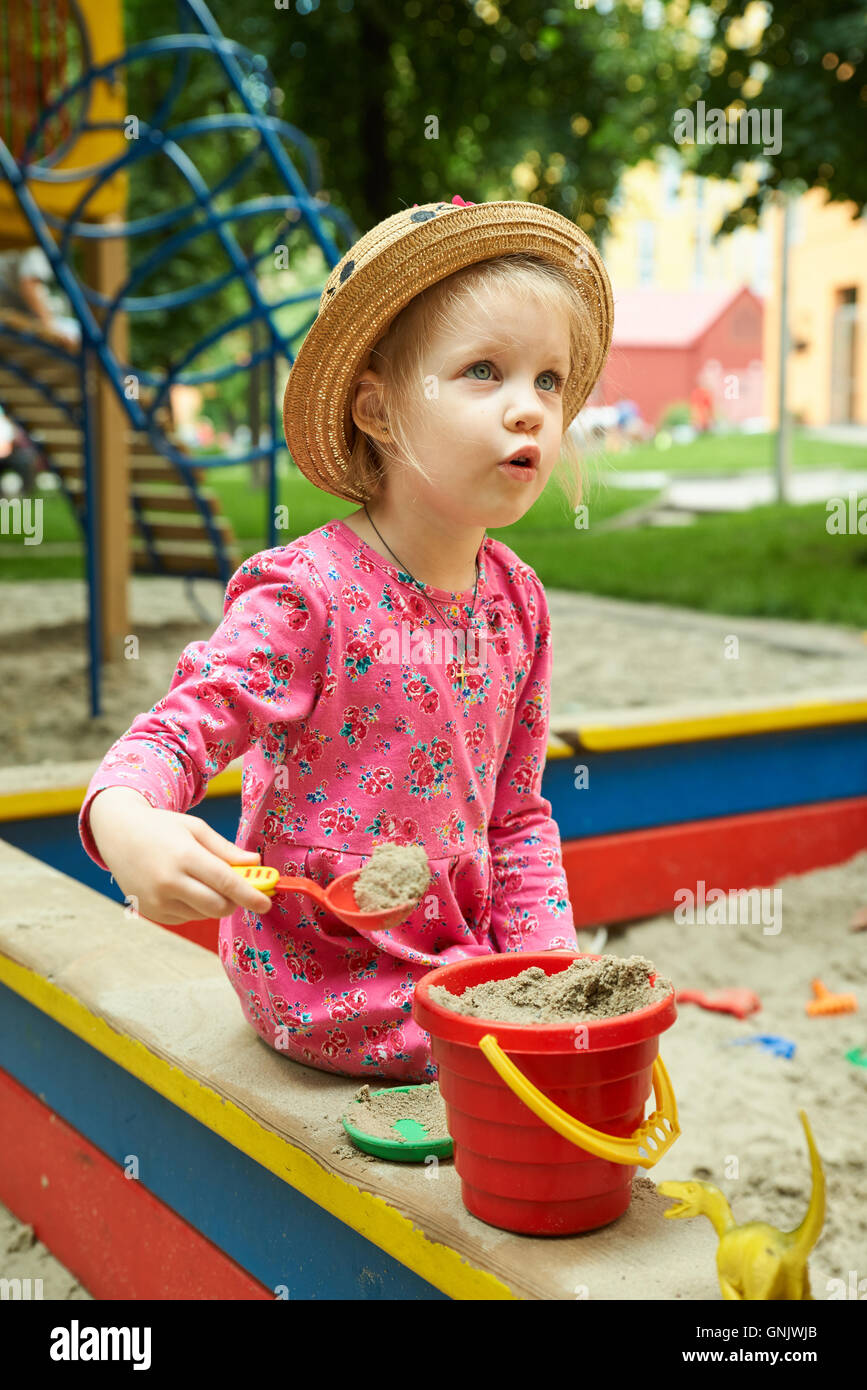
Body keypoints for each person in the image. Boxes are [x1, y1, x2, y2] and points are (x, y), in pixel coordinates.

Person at [79, 197, 614, 1081]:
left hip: (460, 965)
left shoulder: (516, 602)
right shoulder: (310, 594)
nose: (528, 409)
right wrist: (126, 818)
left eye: (548, 381)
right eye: (484, 371)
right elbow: (180, 729)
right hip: (324, 986)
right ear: (377, 410)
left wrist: (545, 972)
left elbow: (515, 817)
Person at [0, 245, 80, 351]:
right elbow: (28, 286)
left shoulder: (65, 281)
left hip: (23, 317)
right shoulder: (41, 254)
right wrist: (51, 330)